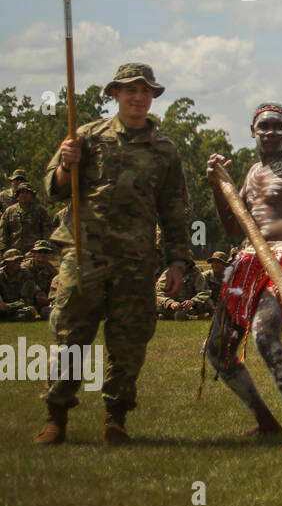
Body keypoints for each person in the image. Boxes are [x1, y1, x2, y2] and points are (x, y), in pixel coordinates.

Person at [36, 62, 192, 446]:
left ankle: (115, 418)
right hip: (85, 254)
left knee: (129, 340)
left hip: (136, 261)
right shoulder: (86, 137)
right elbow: (53, 188)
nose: (138, 97)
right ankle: (56, 416)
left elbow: (175, 210)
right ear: (115, 94)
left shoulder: (165, 151)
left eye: (145, 91)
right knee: (71, 335)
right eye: (130, 90)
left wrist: (176, 262)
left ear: (152, 98)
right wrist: (65, 164)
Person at [203, 102, 282, 449]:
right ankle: (266, 421)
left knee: (264, 334)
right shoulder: (252, 172)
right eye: (263, 126)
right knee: (218, 349)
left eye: (277, 126)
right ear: (252, 132)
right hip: (247, 260)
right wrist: (216, 186)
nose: (270, 132)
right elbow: (231, 227)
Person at [0, 182, 53, 254]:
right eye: (22, 193)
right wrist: (4, 250)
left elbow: (47, 232)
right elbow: (3, 233)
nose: (24, 195)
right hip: (13, 254)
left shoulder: (40, 211)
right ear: (18, 195)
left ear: (32, 195)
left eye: (27, 193)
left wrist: (43, 249)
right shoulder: (9, 211)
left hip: (35, 253)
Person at [24, 239, 57, 319]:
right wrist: (37, 292)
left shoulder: (52, 271)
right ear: (34, 254)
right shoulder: (24, 268)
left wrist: (50, 301)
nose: (42, 255)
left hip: (43, 304)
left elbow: (56, 291)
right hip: (24, 303)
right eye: (39, 252)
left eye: (45, 252)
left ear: (49, 255)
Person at [0, 248, 37, 320]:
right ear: (7, 262)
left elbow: (27, 299)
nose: (18, 262)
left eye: (19, 260)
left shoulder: (26, 275)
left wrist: (9, 306)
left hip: (17, 308)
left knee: (29, 311)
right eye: (14, 260)